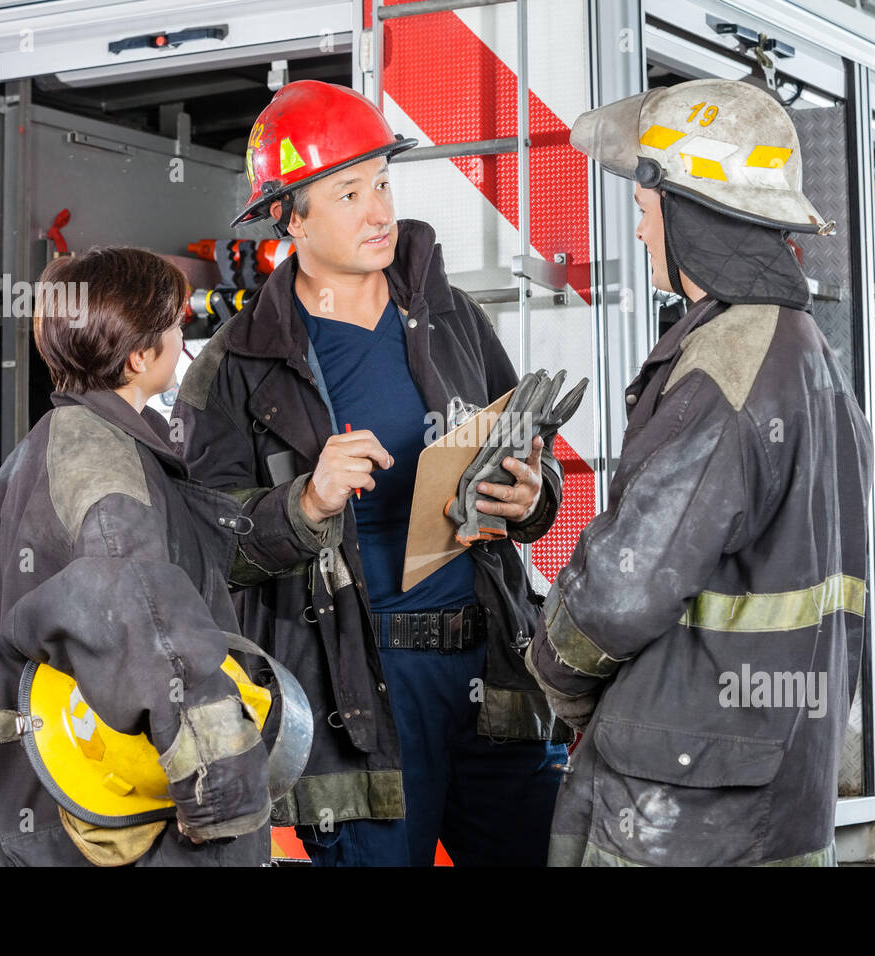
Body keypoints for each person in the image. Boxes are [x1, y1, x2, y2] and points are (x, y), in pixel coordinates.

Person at [174, 80, 572, 867]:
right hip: (360, 698)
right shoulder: (238, 366)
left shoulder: (453, 316)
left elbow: (530, 452)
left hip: (489, 675)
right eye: (349, 191)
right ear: (290, 216)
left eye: (383, 183)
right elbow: (205, 545)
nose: (379, 210)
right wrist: (306, 500)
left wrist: (533, 496)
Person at [525, 79, 873, 866]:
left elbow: (621, 589)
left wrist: (557, 675)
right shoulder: (812, 359)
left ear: (693, 210)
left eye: (651, 202)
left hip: (682, 796)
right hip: (774, 783)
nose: (642, 224)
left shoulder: (727, 365)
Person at [0, 247, 273, 866]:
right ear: (140, 357)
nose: (181, 335)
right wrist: (224, 792)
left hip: (33, 801)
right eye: (173, 324)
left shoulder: (63, 440)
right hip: (90, 826)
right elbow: (148, 627)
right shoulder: (102, 459)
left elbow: (191, 569)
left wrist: (302, 512)